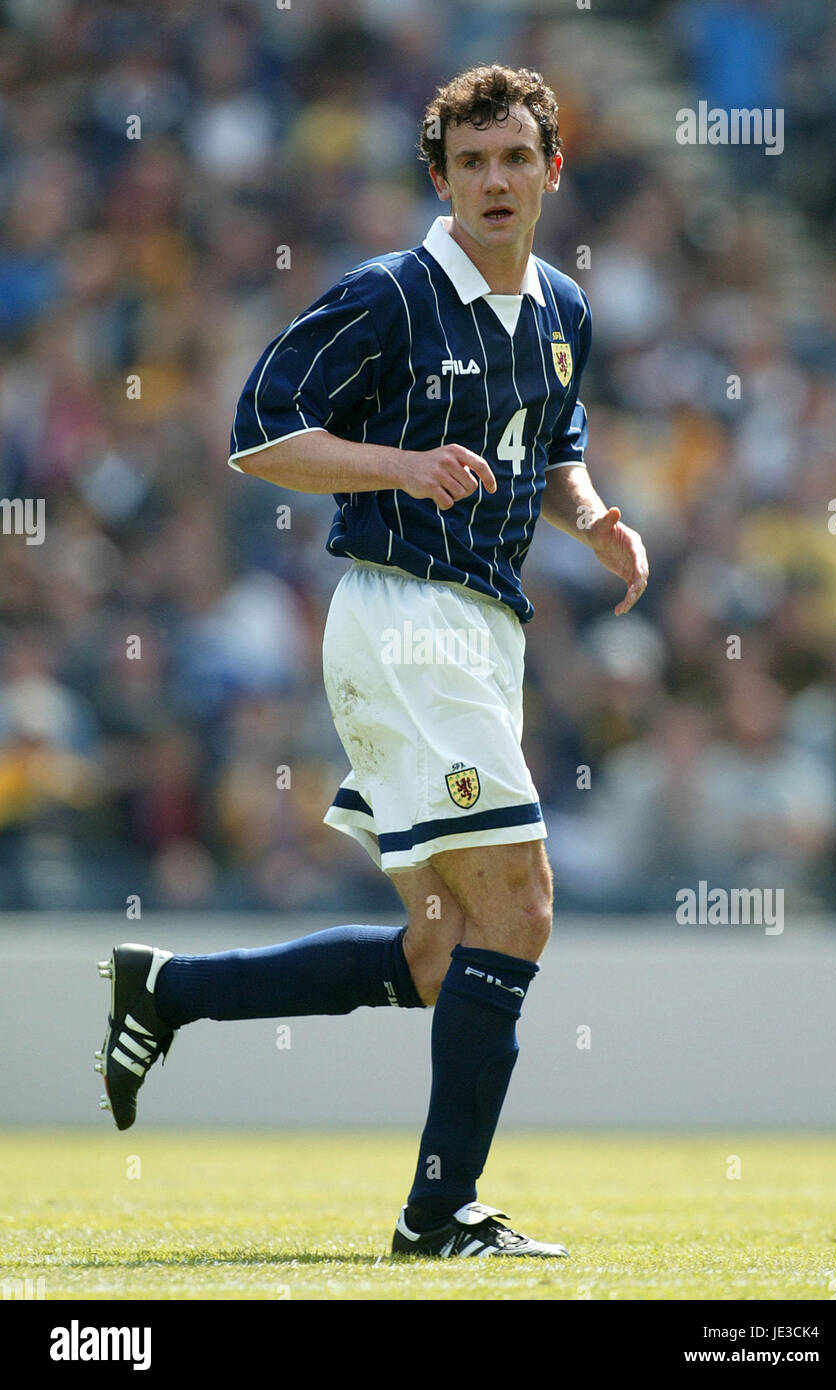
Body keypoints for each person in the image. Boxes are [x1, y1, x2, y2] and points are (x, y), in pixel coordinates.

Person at [95, 64, 648, 1259]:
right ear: (440, 179)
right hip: (406, 617)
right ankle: (438, 1215)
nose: (494, 180)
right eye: (470, 162)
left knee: (450, 950)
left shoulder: (561, 309)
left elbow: (553, 445)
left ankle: (167, 993)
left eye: (514, 159)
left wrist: (592, 514)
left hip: (486, 632)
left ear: (551, 170)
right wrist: (399, 466)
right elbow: (259, 436)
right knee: (524, 907)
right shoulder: (392, 294)